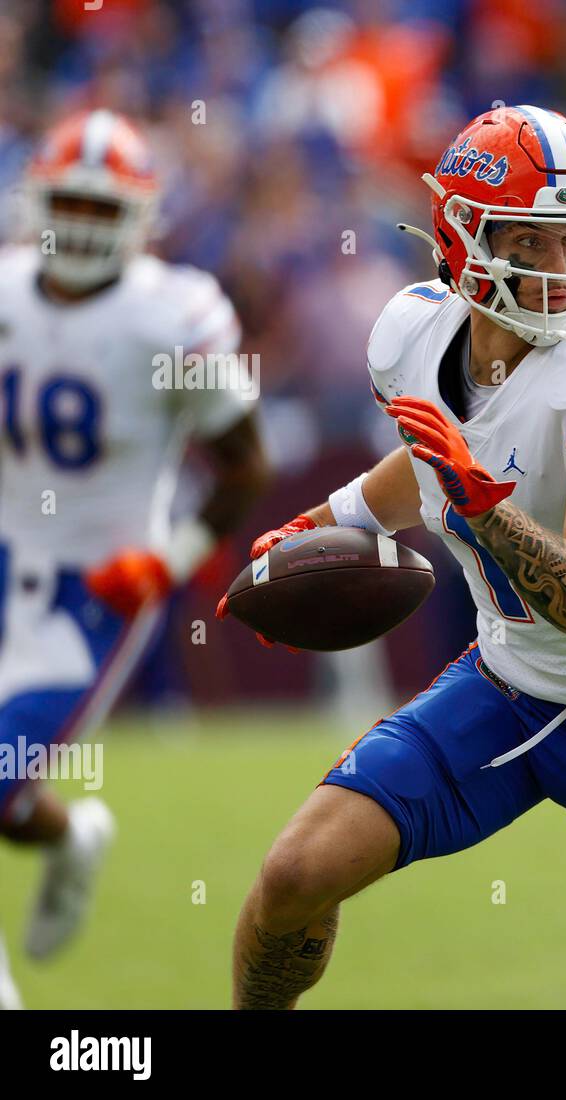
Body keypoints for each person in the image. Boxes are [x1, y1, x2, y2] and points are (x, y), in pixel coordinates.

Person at [224, 105, 566, 1010]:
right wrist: (327, 518)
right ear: (462, 236)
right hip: (502, 686)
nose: (561, 268)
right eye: (531, 240)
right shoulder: (413, 333)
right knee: (297, 873)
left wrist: (483, 506)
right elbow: (429, 454)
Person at [0, 110, 267, 1000]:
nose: (78, 223)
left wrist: (170, 558)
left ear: (140, 219)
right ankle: (70, 833)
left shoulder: (170, 316)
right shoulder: (4, 289)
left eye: (98, 205)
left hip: (92, 592)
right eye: (67, 201)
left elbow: (244, 463)